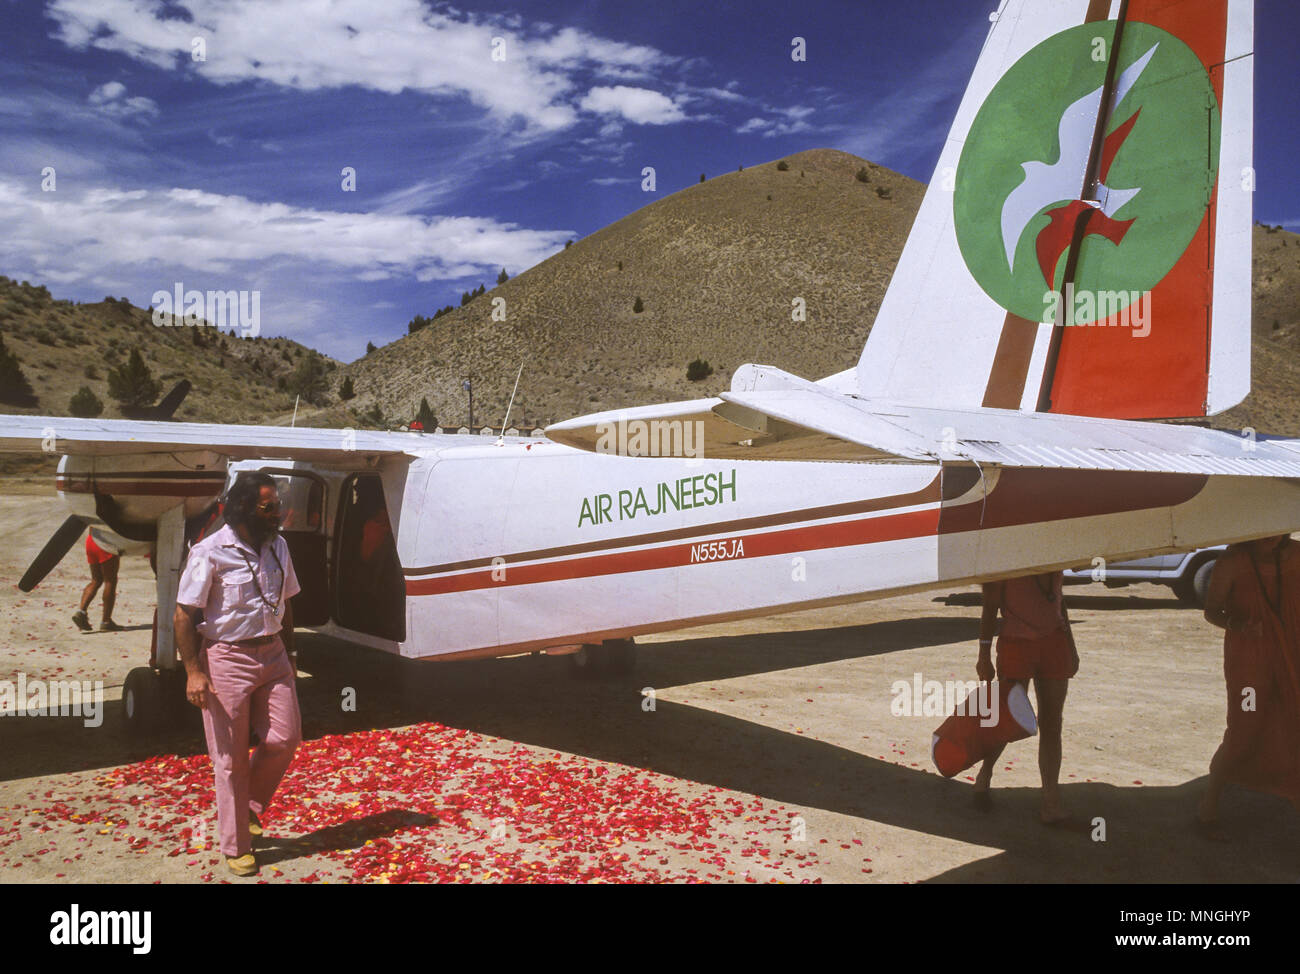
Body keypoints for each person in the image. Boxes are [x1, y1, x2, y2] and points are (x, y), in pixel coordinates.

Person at [174, 472, 302, 877]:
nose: (277, 513)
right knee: (229, 759)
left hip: (274, 653)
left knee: (285, 737)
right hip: (226, 659)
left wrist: (292, 652)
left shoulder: (278, 545)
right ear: (245, 508)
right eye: (269, 507)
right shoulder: (210, 552)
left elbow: (287, 602)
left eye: (276, 505)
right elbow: (183, 615)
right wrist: (194, 671)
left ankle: (246, 808)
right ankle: (236, 846)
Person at [1196, 535, 1300, 836]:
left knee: (1293, 722)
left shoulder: (1295, 555)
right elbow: (1212, 610)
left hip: (1292, 655)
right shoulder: (1233, 560)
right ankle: (1209, 803)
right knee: (1244, 729)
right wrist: (1238, 625)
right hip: (1249, 662)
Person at [972, 571, 1079, 825]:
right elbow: (990, 605)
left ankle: (1051, 803)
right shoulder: (1007, 552)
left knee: (1052, 725)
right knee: (1008, 721)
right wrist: (984, 655)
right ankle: (983, 778)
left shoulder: (1054, 550)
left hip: (1054, 643)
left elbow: (1059, 601)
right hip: (1016, 645)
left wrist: (1071, 647)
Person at [72, 527, 124, 632]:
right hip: (106, 542)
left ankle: (81, 611)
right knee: (110, 581)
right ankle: (106, 621)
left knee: (96, 580)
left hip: (92, 540)